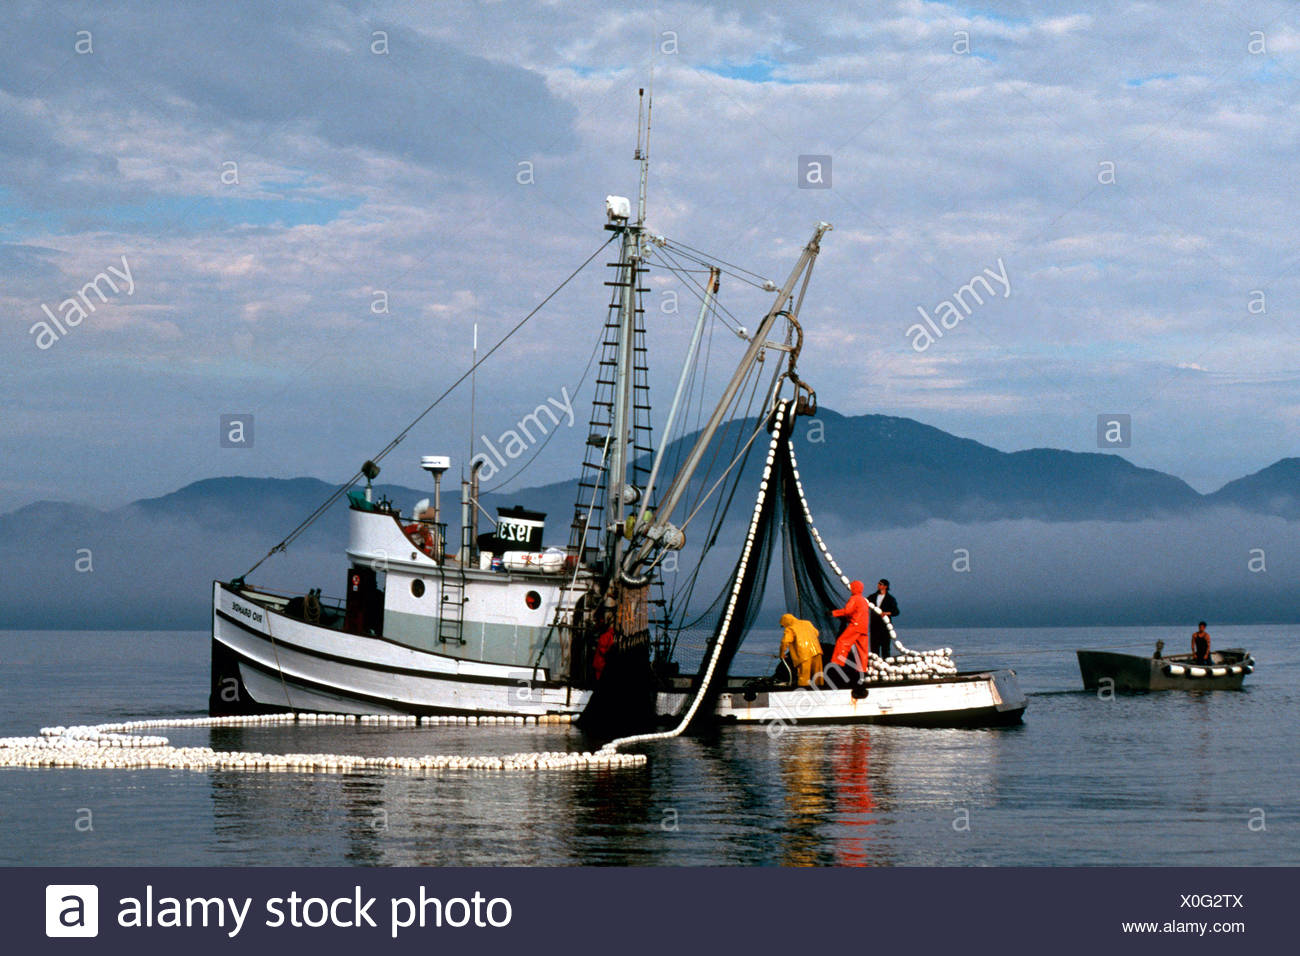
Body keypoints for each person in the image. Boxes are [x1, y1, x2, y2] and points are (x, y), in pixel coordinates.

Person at [830, 580, 872, 673]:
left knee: (842, 641)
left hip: (855, 625)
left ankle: (838, 663)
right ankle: (862, 669)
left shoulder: (854, 598)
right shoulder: (864, 600)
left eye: (852, 587)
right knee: (862, 649)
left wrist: (834, 613)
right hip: (864, 628)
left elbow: (847, 611)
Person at [779, 613, 824, 688]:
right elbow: (816, 633)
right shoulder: (808, 623)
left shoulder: (790, 628)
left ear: (786, 622)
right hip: (817, 651)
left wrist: (781, 653)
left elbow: (785, 642)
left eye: (783, 625)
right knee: (818, 675)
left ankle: (804, 690)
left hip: (803, 654)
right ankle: (821, 690)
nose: (784, 627)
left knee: (804, 676)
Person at [867, 579, 899, 659]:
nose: (878, 585)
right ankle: (875, 664)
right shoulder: (872, 597)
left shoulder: (890, 599)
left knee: (885, 648)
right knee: (874, 647)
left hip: (885, 627)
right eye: (878, 584)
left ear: (885, 586)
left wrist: (886, 613)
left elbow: (896, 612)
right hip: (874, 626)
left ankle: (886, 664)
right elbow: (865, 603)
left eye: (880, 584)